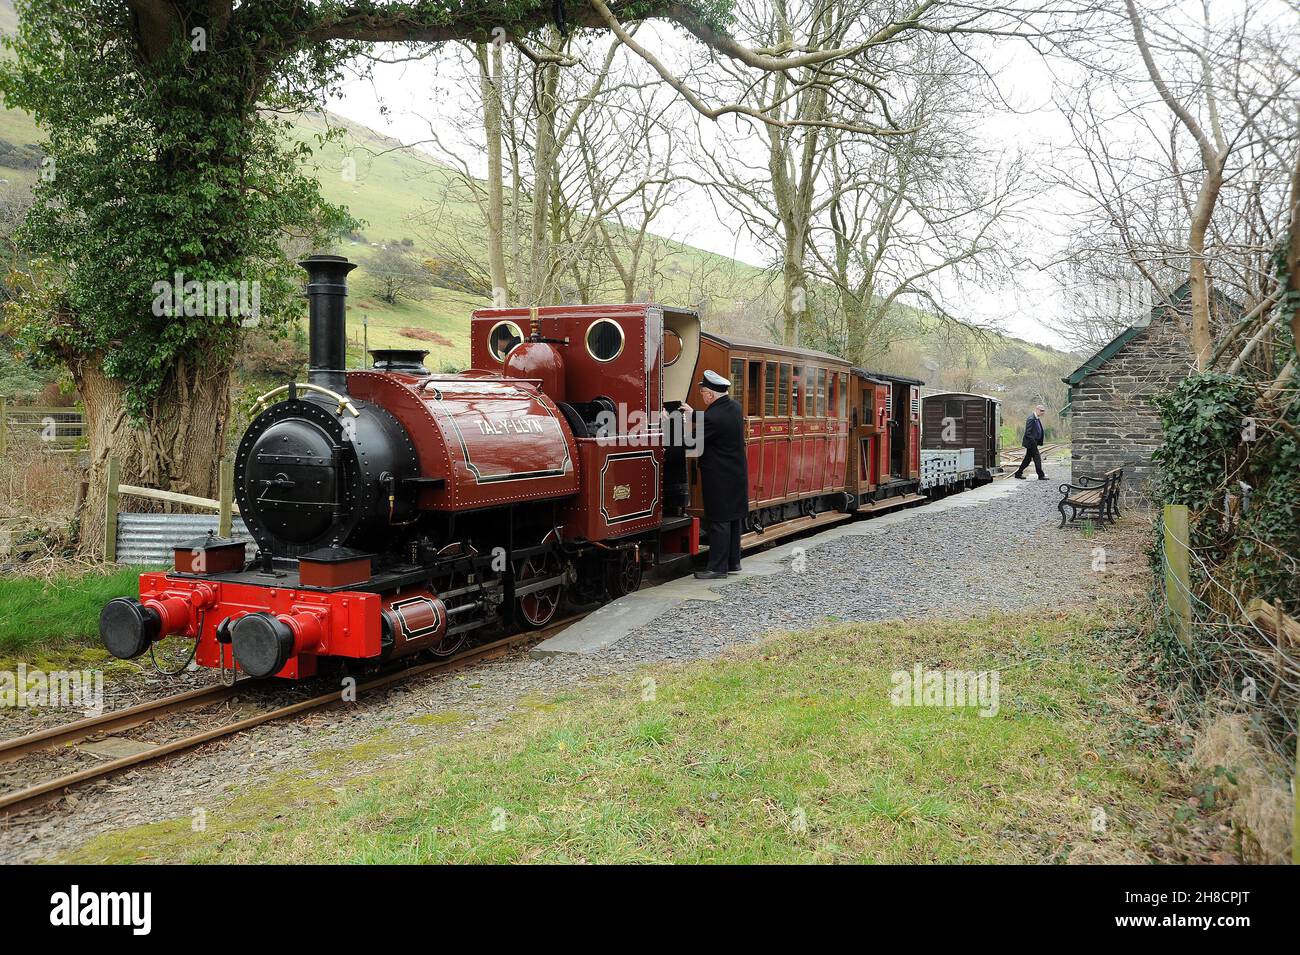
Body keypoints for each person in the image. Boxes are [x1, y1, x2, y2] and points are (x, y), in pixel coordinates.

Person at [680, 369, 748, 579]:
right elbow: (715, 418)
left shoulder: (713, 417)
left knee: (719, 519)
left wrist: (675, 423)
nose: (702, 396)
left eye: (703, 393)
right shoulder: (734, 408)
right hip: (736, 473)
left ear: (710, 395)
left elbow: (689, 442)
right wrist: (694, 415)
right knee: (734, 518)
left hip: (719, 476)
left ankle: (717, 568)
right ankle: (733, 562)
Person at [1014, 404, 1048, 480]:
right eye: (1041, 411)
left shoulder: (1036, 418)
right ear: (1037, 410)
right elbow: (1028, 433)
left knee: (1027, 459)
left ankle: (1018, 473)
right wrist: (1034, 443)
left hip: (1033, 442)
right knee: (1037, 458)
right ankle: (1041, 475)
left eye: (1043, 411)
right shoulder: (1031, 418)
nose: (1042, 412)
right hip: (1031, 443)